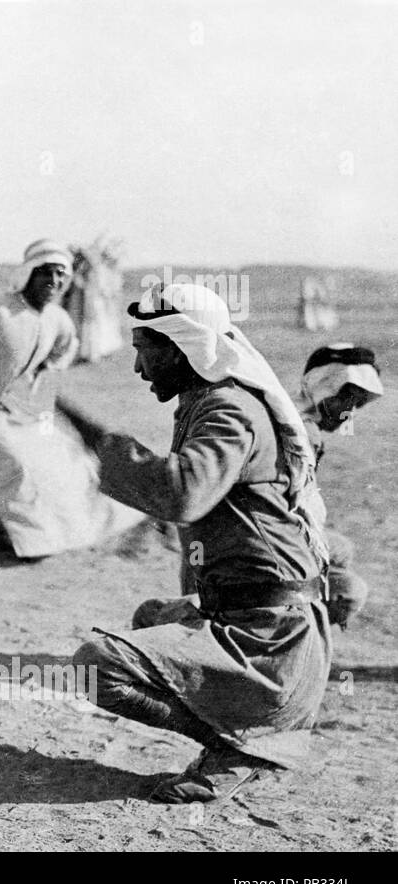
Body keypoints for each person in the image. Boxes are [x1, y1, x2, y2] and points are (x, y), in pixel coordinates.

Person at [60, 282, 333, 803]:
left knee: (96, 665)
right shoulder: (207, 401)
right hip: (261, 624)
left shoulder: (228, 410)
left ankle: (244, 747)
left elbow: (184, 495)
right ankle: (248, 735)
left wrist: (100, 443)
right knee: (153, 617)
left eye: (146, 349)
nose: (139, 368)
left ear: (186, 346)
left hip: (272, 643)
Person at [0, 240, 142, 561]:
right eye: (44, 273)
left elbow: (59, 358)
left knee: (72, 462)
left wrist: (38, 395)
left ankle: (44, 534)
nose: (53, 282)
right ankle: (10, 537)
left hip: (26, 412)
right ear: (27, 275)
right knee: (17, 466)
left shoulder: (58, 321)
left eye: (60, 275)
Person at [295, 343, 384, 628]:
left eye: (357, 404)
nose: (350, 412)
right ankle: (299, 631)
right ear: (322, 388)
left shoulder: (300, 421)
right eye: (344, 398)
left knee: (342, 548)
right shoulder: (303, 433)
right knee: (350, 592)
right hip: (274, 540)